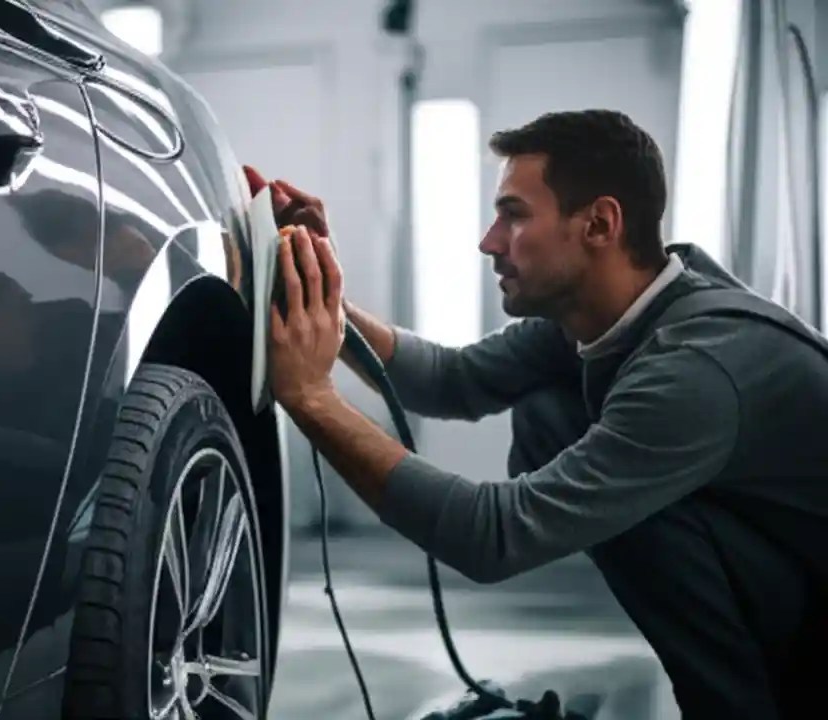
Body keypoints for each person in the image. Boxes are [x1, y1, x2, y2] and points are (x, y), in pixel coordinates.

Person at [243, 109, 828, 720]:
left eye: (514, 215)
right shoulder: (606, 316)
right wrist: (322, 291)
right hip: (778, 579)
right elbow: (451, 380)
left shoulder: (697, 367)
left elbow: (492, 537)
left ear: (599, 223)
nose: (489, 241)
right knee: (553, 413)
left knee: (597, 460)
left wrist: (311, 398)